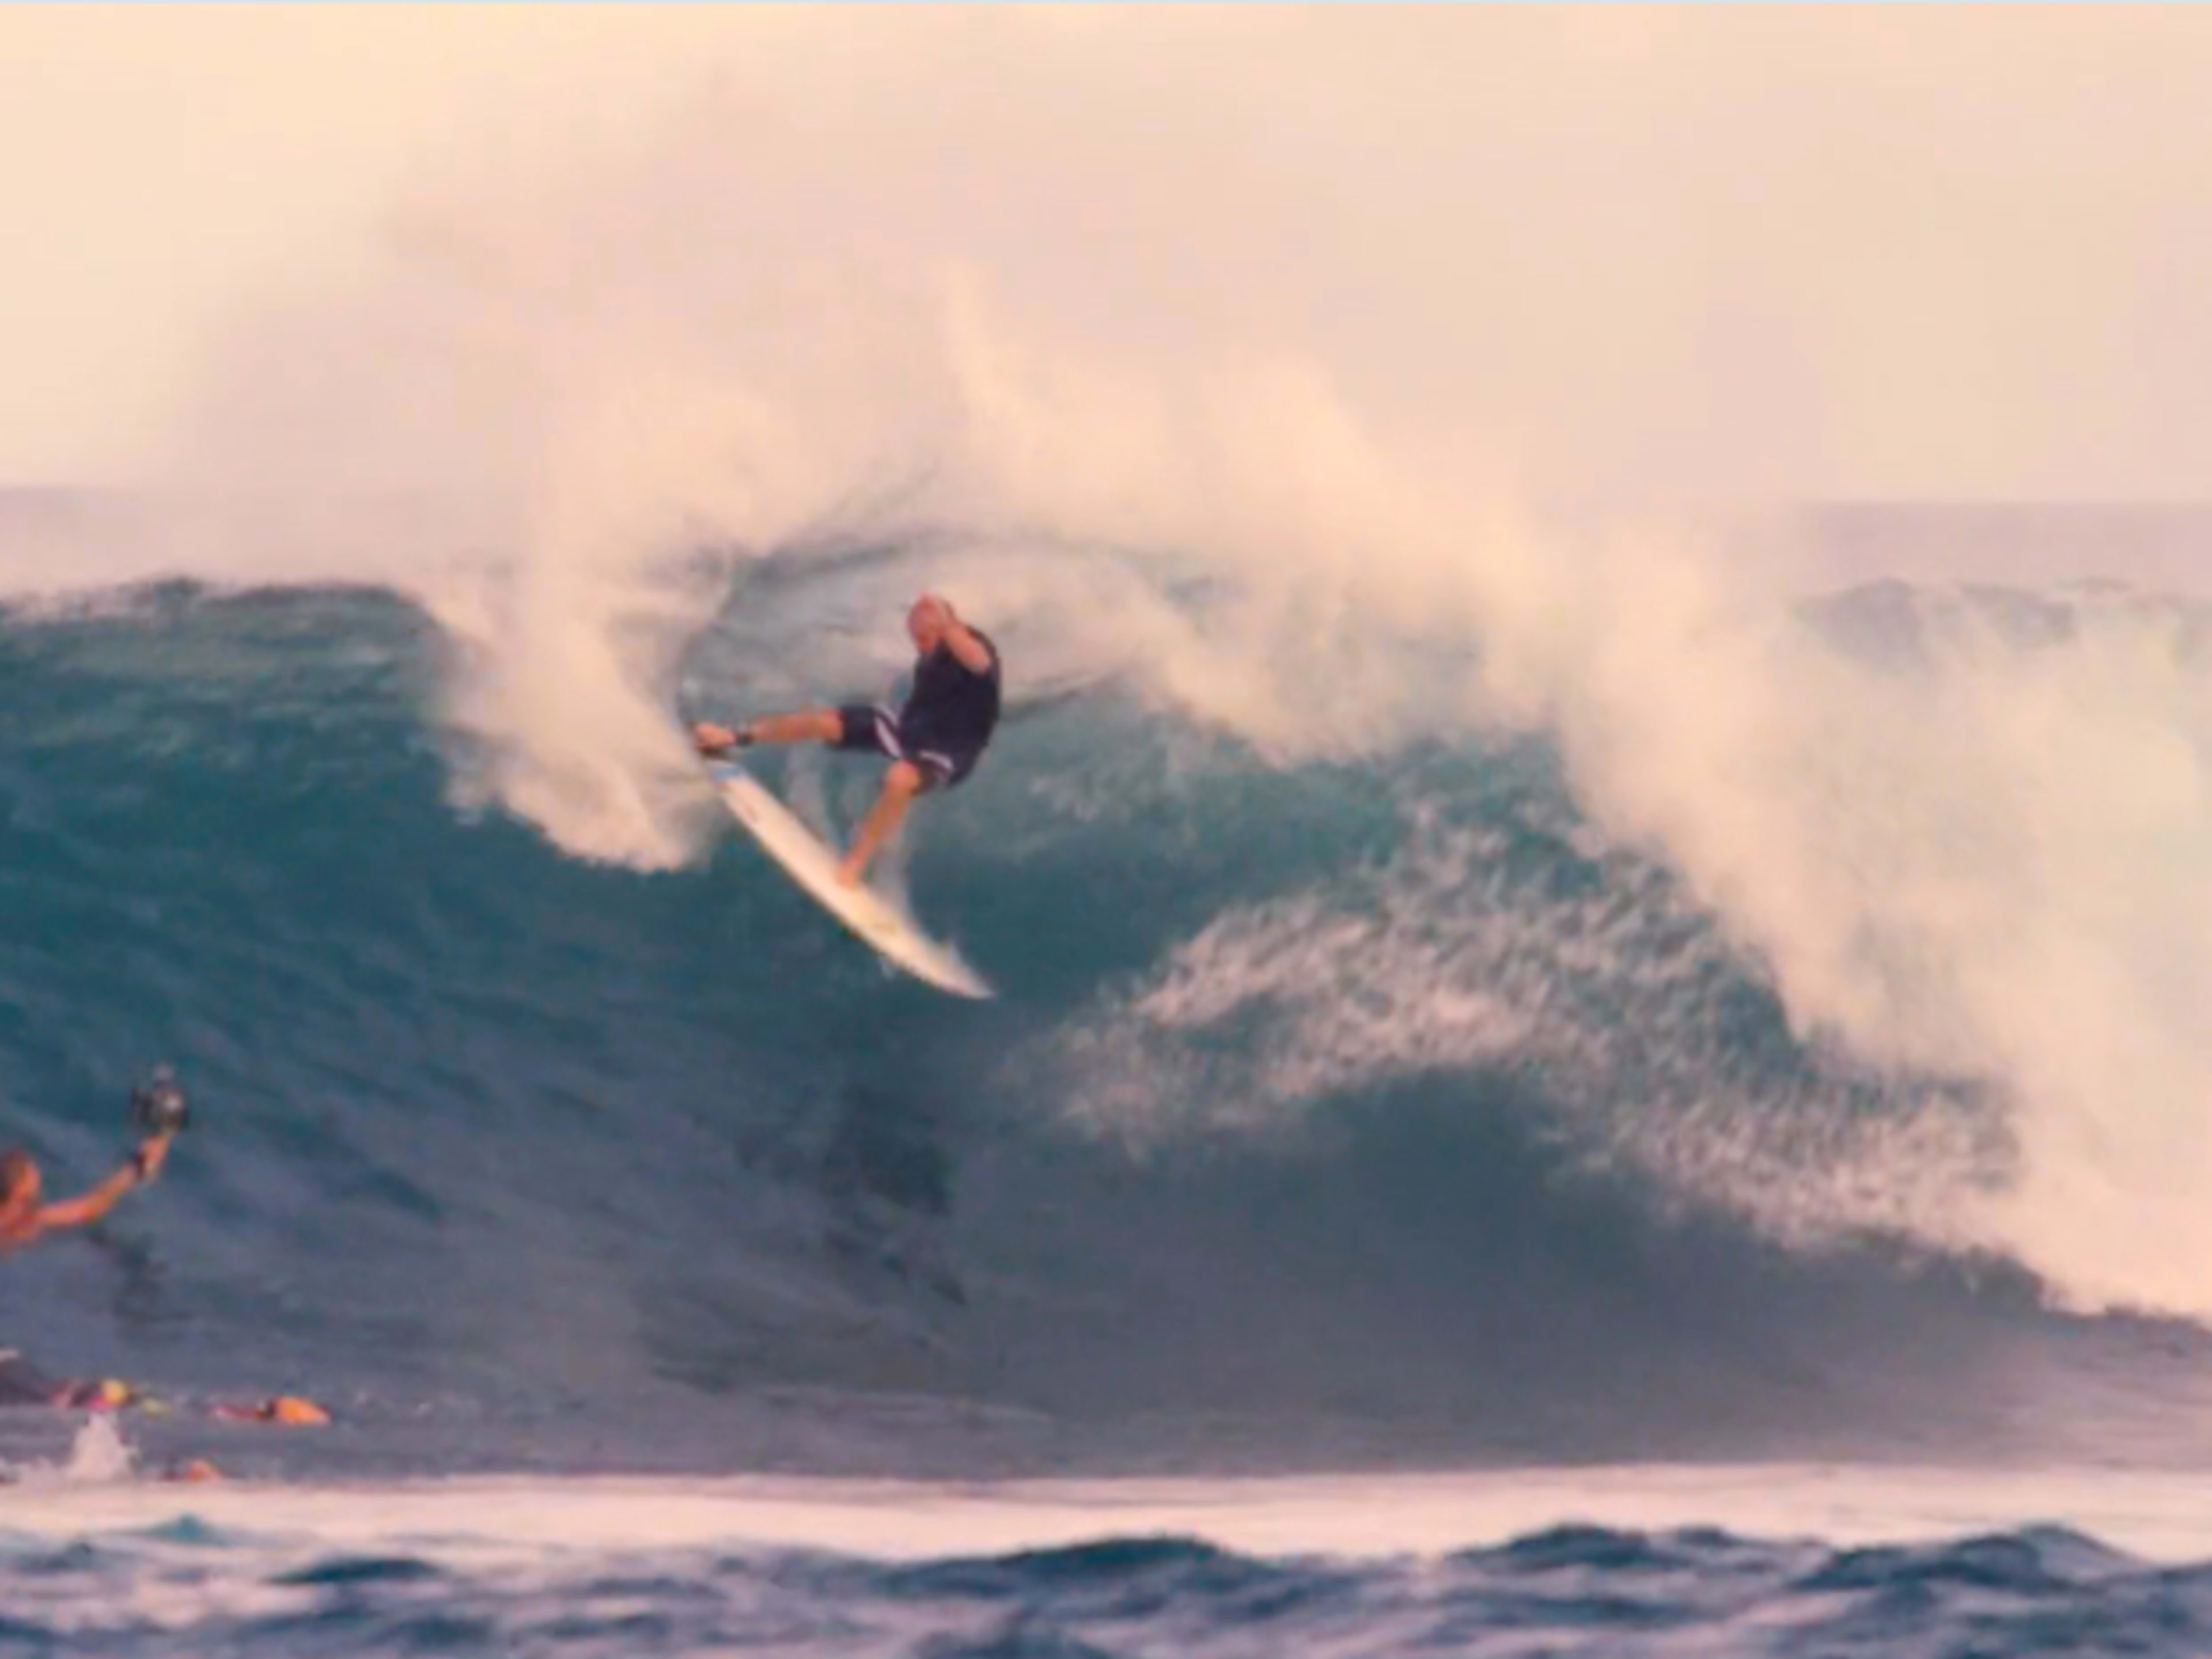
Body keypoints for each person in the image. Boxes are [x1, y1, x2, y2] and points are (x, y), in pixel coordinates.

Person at [692, 593, 1002, 885]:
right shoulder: (932, 653)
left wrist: (947, 625)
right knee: (822, 722)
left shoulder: (975, 654)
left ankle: (856, 862)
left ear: (946, 629)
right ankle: (732, 735)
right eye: (914, 638)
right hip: (911, 728)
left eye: (923, 638)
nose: (919, 646)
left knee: (899, 779)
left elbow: (976, 659)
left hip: (950, 750)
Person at [0, 1122, 174, 1252]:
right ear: (19, 1192)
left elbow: (89, 1207)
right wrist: (138, 1167)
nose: (39, 1183)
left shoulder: (20, 1219)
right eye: (33, 1178)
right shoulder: (25, 1222)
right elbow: (89, 1208)